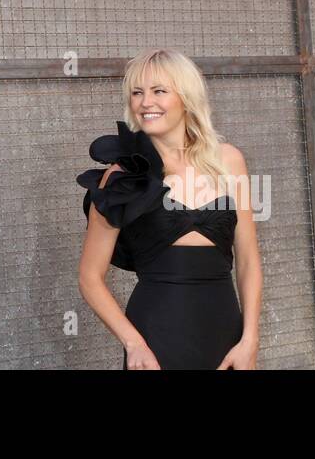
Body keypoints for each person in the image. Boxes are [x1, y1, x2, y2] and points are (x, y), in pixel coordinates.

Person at [76, 49, 262, 369]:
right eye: (137, 92)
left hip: (226, 336)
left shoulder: (229, 161)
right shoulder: (121, 177)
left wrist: (250, 341)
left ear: (186, 98)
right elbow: (89, 277)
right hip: (157, 341)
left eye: (159, 91)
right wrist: (134, 344)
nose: (146, 102)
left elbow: (248, 260)